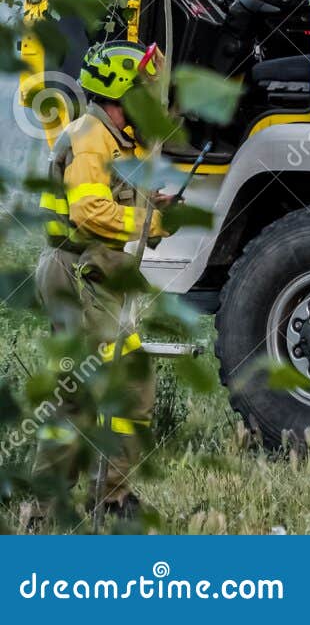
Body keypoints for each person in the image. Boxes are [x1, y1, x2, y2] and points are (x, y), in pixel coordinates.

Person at [32, 40, 175, 524]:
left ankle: (82, 503)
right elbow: (89, 213)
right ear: (120, 92)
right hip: (80, 278)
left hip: (92, 278)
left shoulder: (109, 138)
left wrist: (151, 206)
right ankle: (88, 505)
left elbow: (106, 201)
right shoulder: (92, 137)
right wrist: (150, 221)